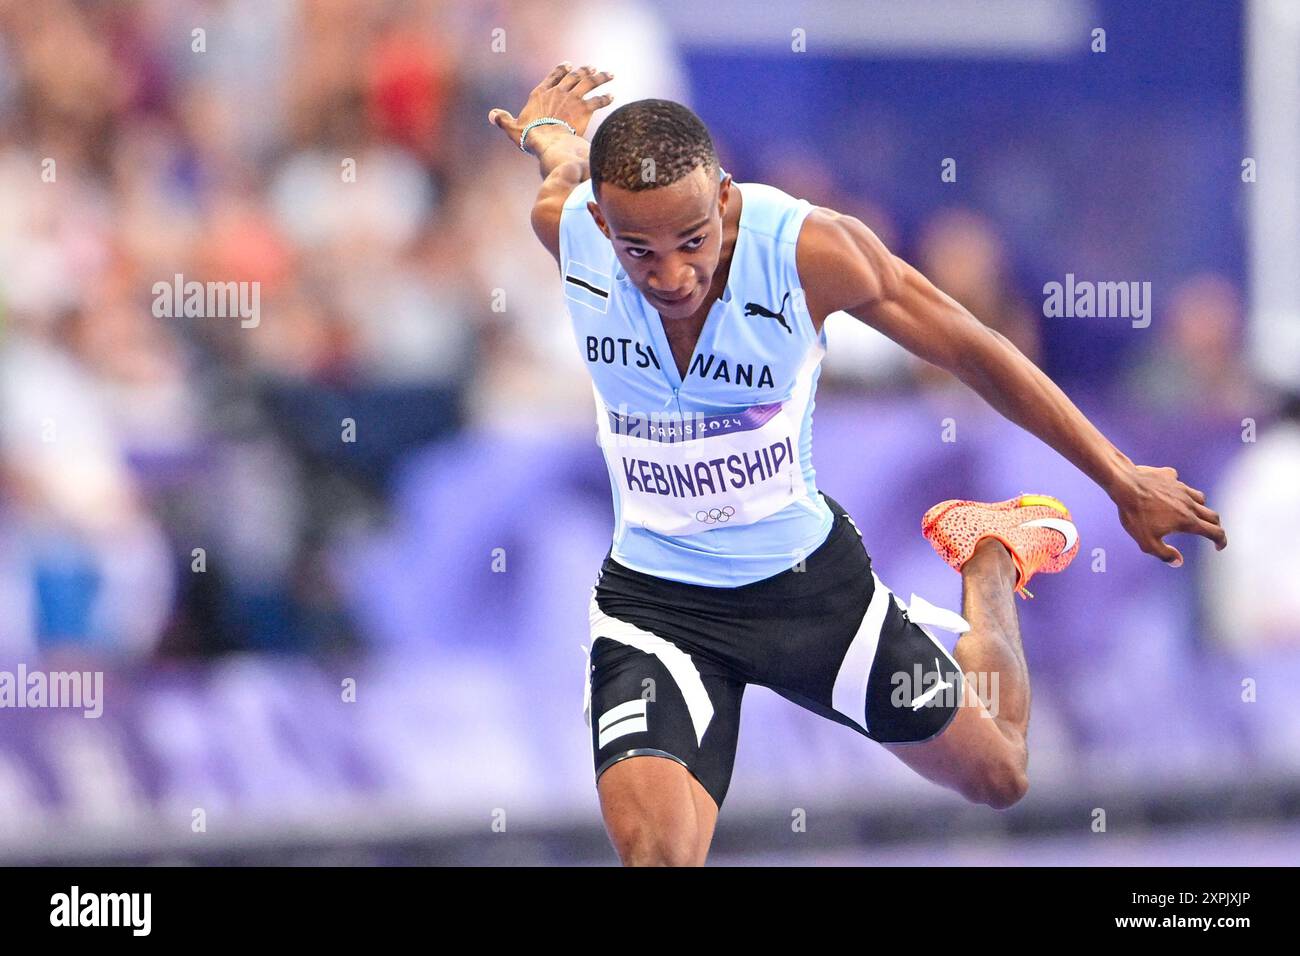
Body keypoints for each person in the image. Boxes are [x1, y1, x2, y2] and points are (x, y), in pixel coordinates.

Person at [487, 64, 1228, 866]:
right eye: (640, 251)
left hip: (809, 595)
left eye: (693, 241)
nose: (672, 277)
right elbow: (565, 164)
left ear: (725, 198)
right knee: (656, 854)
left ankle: (989, 555)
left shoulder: (810, 251)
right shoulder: (568, 225)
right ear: (602, 224)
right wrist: (546, 132)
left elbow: (976, 351)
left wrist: (1120, 477)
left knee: (1001, 773)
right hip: (657, 604)